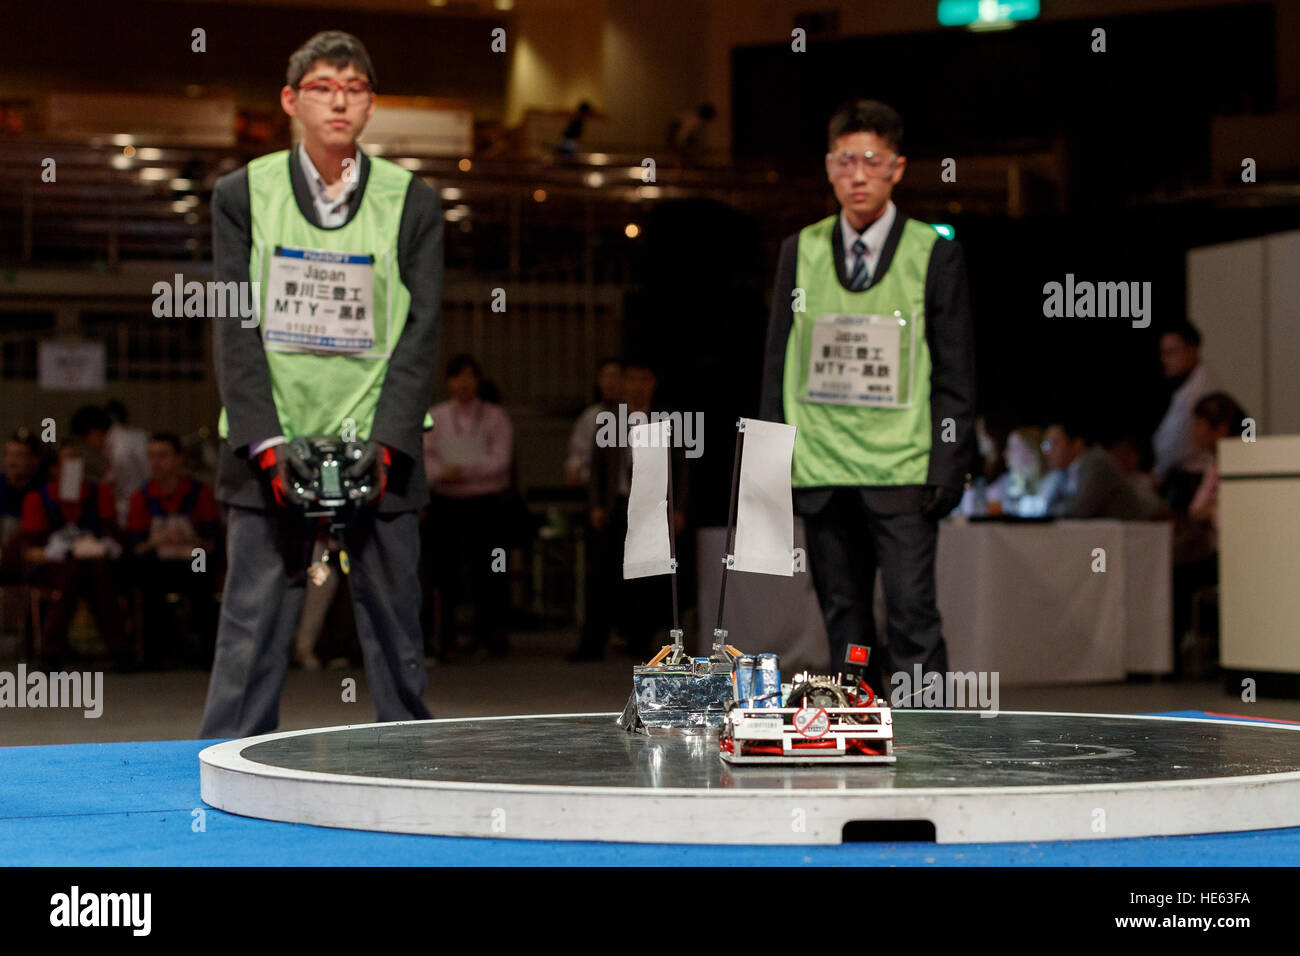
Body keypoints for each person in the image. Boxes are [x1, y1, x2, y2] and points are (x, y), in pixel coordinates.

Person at [200, 30, 442, 737]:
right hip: (267, 443)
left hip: (381, 444)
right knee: (249, 631)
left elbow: (421, 330)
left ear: (371, 107)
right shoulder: (243, 194)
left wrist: (392, 440)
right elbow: (233, 323)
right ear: (289, 101)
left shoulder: (412, 200)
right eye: (322, 87)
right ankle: (230, 765)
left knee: (398, 630)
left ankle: (411, 761)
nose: (339, 100)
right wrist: (265, 441)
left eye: (355, 88)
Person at [759, 99, 976, 683]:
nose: (858, 175)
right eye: (845, 161)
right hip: (823, 469)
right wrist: (769, 464)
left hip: (901, 471)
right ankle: (853, 740)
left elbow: (956, 372)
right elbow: (778, 361)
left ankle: (931, 751)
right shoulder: (799, 251)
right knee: (843, 618)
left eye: (872, 161)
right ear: (829, 168)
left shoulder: (933, 252)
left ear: (897, 168)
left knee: (912, 615)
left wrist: (948, 463)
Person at [569, 360, 688, 662]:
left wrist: (679, 508)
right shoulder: (610, 418)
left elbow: (682, 468)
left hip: (651, 506)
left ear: (653, 383)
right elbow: (596, 467)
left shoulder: (667, 420)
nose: (636, 385)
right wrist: (595, 503)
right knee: (603, 575)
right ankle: (593, 641)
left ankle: (640, 640)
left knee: (647, 576)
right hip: (617, 503)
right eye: (631, 379)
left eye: (643, 379)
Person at [423, 354, 514, 659]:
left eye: (469, 376)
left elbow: (501, 460)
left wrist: (465, 469)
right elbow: (426, 458)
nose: (463, 383)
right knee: (444, 573)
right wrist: (442, 474)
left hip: (485, 504)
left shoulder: (495, 416)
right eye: (457, 376)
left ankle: (489, 637)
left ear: (478, 380)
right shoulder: (434, 416)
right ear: (448, 382)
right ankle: (445, 639)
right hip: (446, 504)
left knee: (488, 572)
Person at [19, 443, 130, 669]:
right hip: (55, 567)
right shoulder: (38, 498)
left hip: (96, 564)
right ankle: (50, 652)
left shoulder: (99, 494)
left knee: (99, 573)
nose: (74, 465)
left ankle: (120, 650)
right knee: (72, 574)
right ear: (55, 468)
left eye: (78, 458)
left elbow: (112, 537)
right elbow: (32, 549)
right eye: (68, 459)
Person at [125, 433, 221, 668]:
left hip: (194, 558)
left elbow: (214, 543)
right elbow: (135, 547)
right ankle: (155, 653)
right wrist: (157, 540)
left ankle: (207, 653)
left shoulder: (201, 494)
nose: (156, 463)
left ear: (180, 459)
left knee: (202, 575)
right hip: (157, 561)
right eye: (151, 456)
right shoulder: (142, 497)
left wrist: (188, 539)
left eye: (163, 456)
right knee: (146, 578)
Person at [1172, 391, 1248, 673]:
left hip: (1237, 556)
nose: (1193, 432)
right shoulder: (1216, 462)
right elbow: (1198, 510)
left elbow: (1228, 515)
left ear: (1221, 428)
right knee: (1179, 571)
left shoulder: (1242, 458)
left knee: (1182, 577)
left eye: (1199, 425)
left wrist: (1212, 511)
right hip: (1220, 552)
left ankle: (1180, 658)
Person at [1152, 321, 1216, 509]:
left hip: (1193, 478)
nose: (1165, 359)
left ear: (1192, 350)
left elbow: (1178, 442)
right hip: (1183, 477)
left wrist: (1158, 472)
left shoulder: (1200, 391)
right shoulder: (1188, 388)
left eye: (1171, 352)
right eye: (1163, 353)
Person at [1041, 421, 1153, 520]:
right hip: (1103, 536)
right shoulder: (1064, 472)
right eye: (1045, 446)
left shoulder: (1096, 463)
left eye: (1054, 444)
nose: (1047, 452)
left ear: (1077, 444)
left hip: (1128, 536)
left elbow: (1080, 509)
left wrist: (1057, 509)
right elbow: (1050, 508)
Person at [71, 404, 149, 526]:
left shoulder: (121, 451)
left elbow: (132, 494)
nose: (88, 447)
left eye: (84, 441)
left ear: (94, 433)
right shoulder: (125, 437)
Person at [564, 357, 624, 486]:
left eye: (614, 376)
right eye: (605, 376)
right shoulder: (590, 416)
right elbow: (576, 455)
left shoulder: (633, 415)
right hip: (592, 485)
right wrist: (573, 467)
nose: (610, 382)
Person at [1, 429, 45, 581]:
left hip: (30, 562)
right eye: (8, 454)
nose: (11, 462)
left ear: (34, 460)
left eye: (19, 455)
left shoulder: (43, 491)